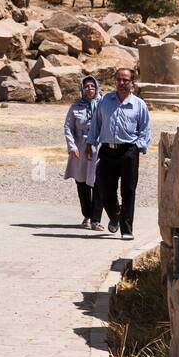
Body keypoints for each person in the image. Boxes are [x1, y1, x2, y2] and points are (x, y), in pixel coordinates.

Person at [85, 67, 151, 240]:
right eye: (119, 80)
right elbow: (96, 124)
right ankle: (116, 216)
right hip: (107, 150)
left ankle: (127, 230)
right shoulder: (105, 101)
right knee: (105, 190)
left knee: (128, 191)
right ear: (115, 81)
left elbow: (145, 129)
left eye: (125, 80)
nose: (122, 83)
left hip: (128, 152)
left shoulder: (139, 105)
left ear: (132, 82)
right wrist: (90, 143)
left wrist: (139, 146)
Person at [63, 75, 104, 230]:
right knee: (82, 182)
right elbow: (68, 127)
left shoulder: (103, 104)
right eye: (86, 86)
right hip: (80, 146)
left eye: (92, 86)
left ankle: (96, 219)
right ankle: (86, 215)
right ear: (82, 89)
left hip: (98, 146)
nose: (90, 89)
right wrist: (72, 146)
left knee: (98, 182)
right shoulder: (76, 106)